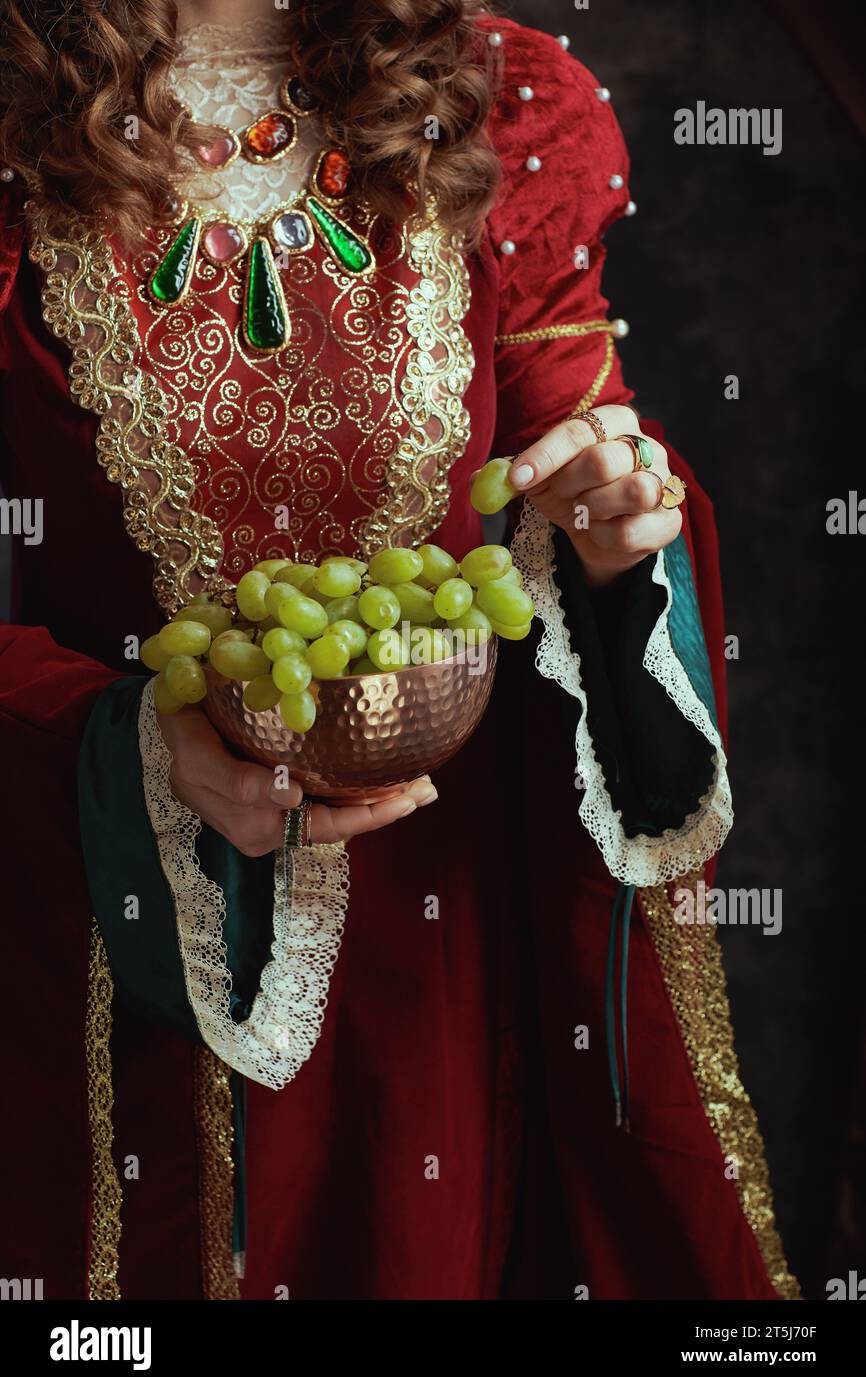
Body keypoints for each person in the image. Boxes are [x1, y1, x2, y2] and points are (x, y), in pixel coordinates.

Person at [0, 0, 798, 1299]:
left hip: (435, 946)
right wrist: (129, 749)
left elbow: (572, 442)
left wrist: (614, 524)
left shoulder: (499, 100)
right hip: (108, 932)